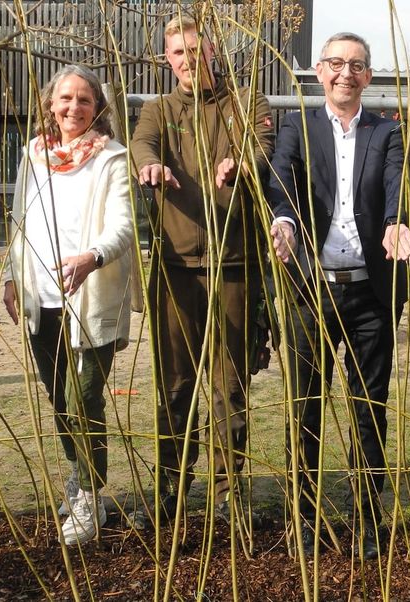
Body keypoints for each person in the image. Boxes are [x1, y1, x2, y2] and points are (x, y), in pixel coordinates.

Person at [267, 31, 410, 562]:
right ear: (319, 71)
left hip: (371, 293)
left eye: (356, 65)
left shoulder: (387, 132)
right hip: (311, 290)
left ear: (368, 76)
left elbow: (397, 183)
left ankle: (369, 522)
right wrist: (284, 222)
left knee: (369, 411)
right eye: (335, 63)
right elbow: (280, 179)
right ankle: (303, 522)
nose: (345, 72)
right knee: (304, 408)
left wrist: (397, 222)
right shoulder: (297, 128)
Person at [128, 14, 274, 531]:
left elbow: (263, 146)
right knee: (175, 387)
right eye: (177, 55)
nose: (188, 62)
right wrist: (149, 165)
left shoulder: (244, 102)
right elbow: (141, 145)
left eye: (196, 51)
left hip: (234, 266)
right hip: (176, 269)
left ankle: (227, 494)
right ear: (167, 60)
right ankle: (171, 488)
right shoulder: (158, 110)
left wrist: (242, 163)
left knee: (228, 390)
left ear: (211, 51)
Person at [2, 65, 136, 546]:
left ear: (97, 106)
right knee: (60, 400)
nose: (73, 107)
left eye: (83, 99)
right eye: (65, 98)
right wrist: (12, 276)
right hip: (41, 296)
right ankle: (79, 476)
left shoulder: (113, 159)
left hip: (92, 297)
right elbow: (19, 220)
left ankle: (90, 496)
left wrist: (92, 257)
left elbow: (124, 225)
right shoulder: (33, 155)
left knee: (84, 399)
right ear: (50, 104)